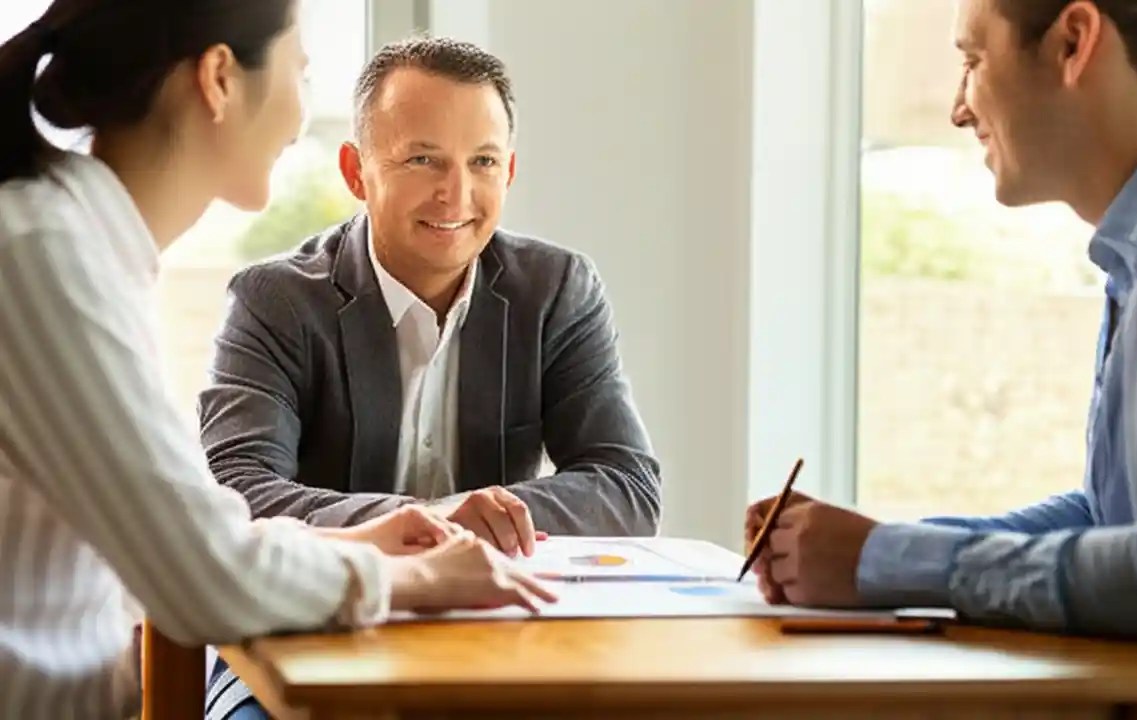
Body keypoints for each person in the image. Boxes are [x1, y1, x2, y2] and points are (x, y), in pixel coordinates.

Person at [0, 3, 555, 718]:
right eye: (300, 69)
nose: (302, 113)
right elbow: (199, 577)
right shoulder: (45, 259)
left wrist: (351, 545)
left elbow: (170, 533)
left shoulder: (80, 248)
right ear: (221, 78)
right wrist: (415, 577)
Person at [748, 0, 1137, 677]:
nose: (958, 109)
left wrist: (886, 563)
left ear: (1073, 43)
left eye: (972, 60)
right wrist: (872, 549)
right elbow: (1109, 519)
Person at [197, 35, 662, 553]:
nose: (456, 194)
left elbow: (627, 487)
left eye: (482, 162)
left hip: (497, 614)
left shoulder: (557, 291)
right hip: (339, 611)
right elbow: (236, 494)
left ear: (508, 172)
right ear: (356, 172)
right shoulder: (274, 301)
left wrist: (486, 518)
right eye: (423, 159)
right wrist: (433, 522)